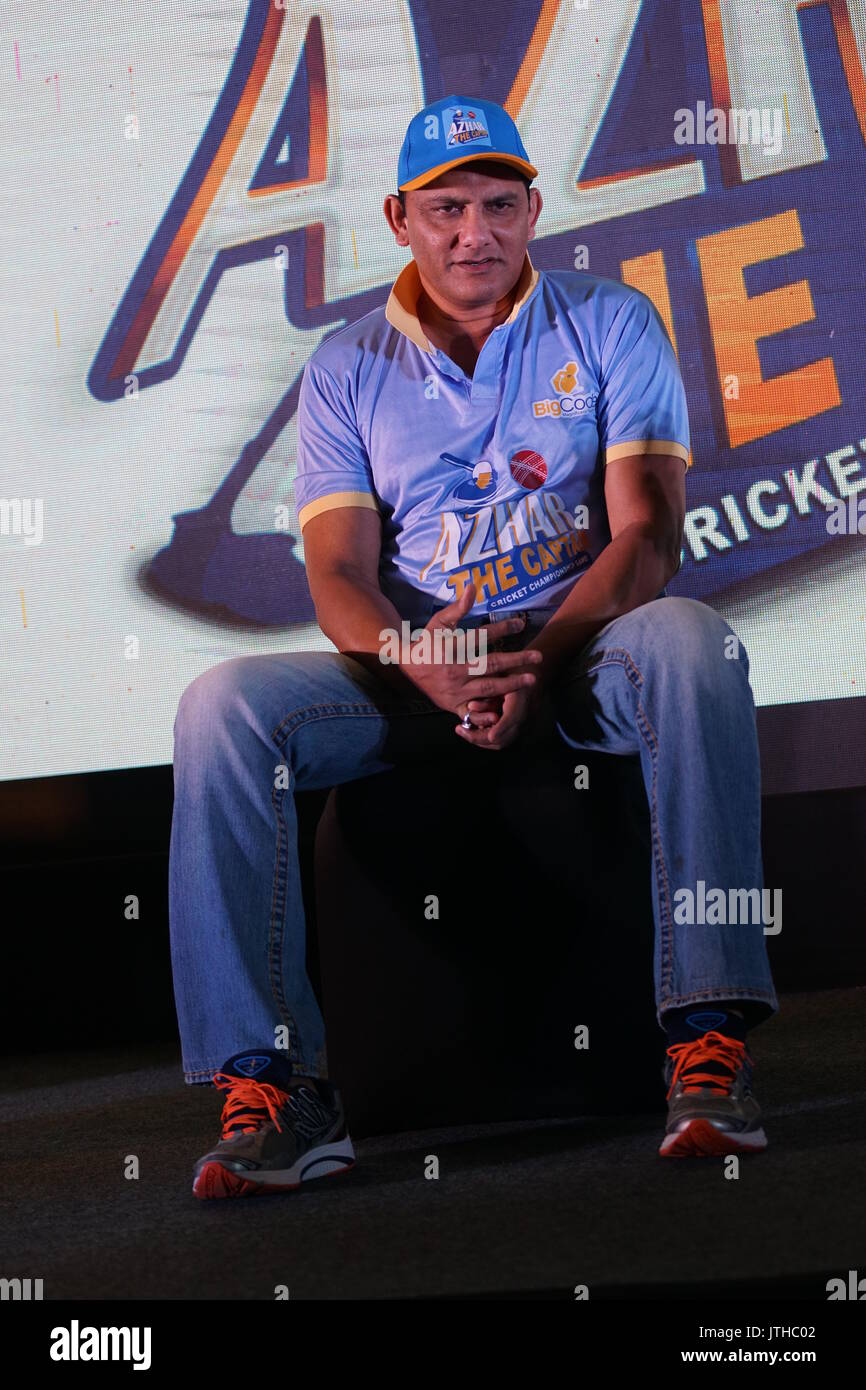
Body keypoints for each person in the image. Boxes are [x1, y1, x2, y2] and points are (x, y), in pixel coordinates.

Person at [169, 95, 779, 1200]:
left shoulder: (609, 319)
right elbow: (337, 578)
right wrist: (421, 659)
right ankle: (277, 1088)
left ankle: (706, 1042)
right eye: (445, 208)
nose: (474, 233)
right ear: (399, 218)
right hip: (412, 671)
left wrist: (540, 658)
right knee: (220, 704)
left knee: (692, 643)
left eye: (498, 204)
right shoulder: (345, 365)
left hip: (580, 649)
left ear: (533, 207)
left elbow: (647, 534)